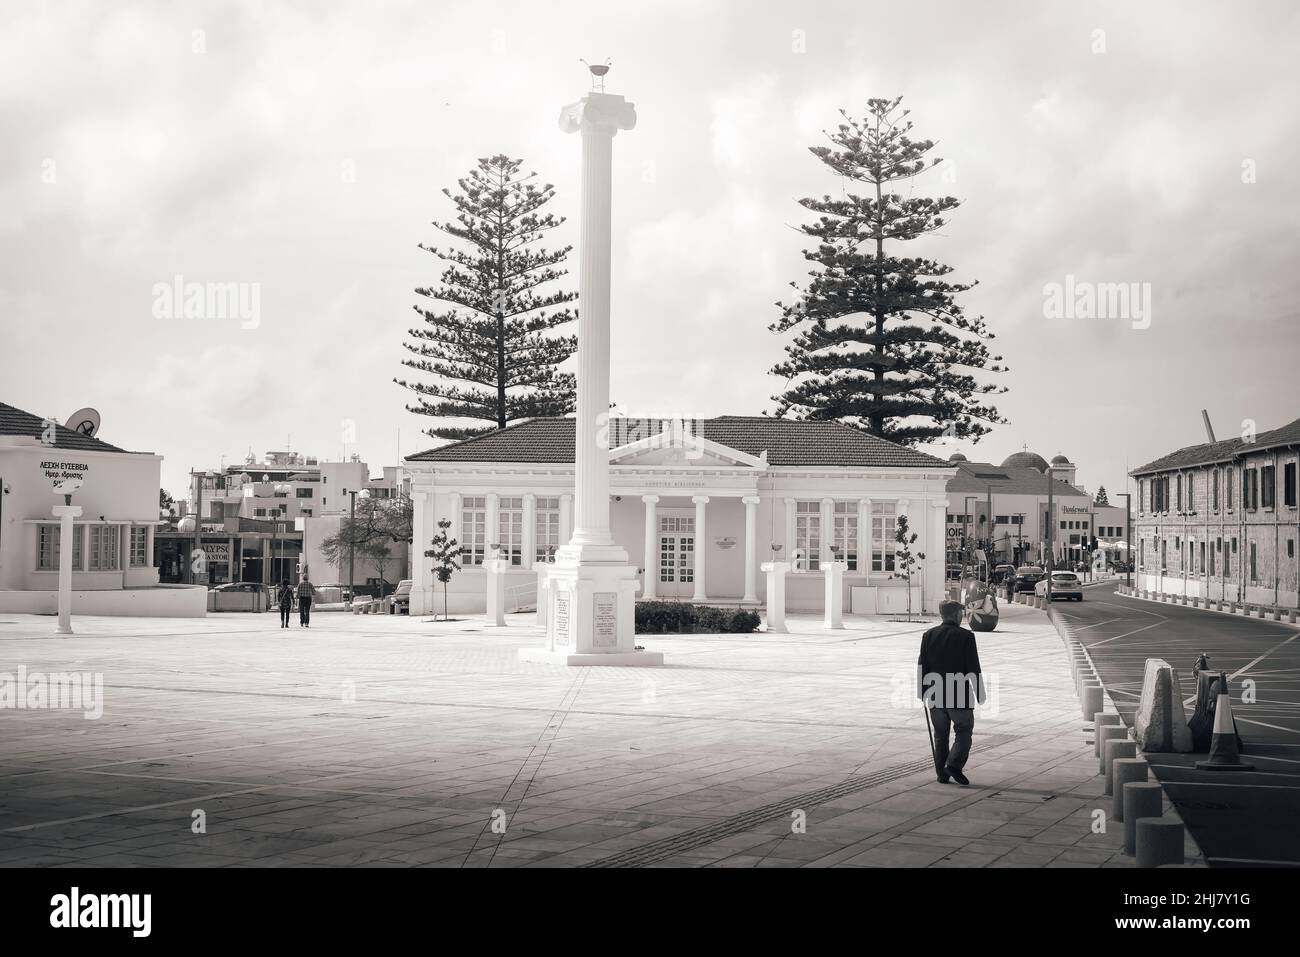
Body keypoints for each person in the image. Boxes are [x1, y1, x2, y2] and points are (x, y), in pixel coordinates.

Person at [917, 599, 986, 786]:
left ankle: (942, 773)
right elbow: (974, 668)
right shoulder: (966, 637)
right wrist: (980, 693)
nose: (962, 616)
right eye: (960, 613)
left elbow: (922, 665)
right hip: (958, 696)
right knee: (964, 730)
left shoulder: (928, 635)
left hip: (934, 694)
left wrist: (921, 692)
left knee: (941, 735)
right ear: (956, 615)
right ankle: (954, 765)